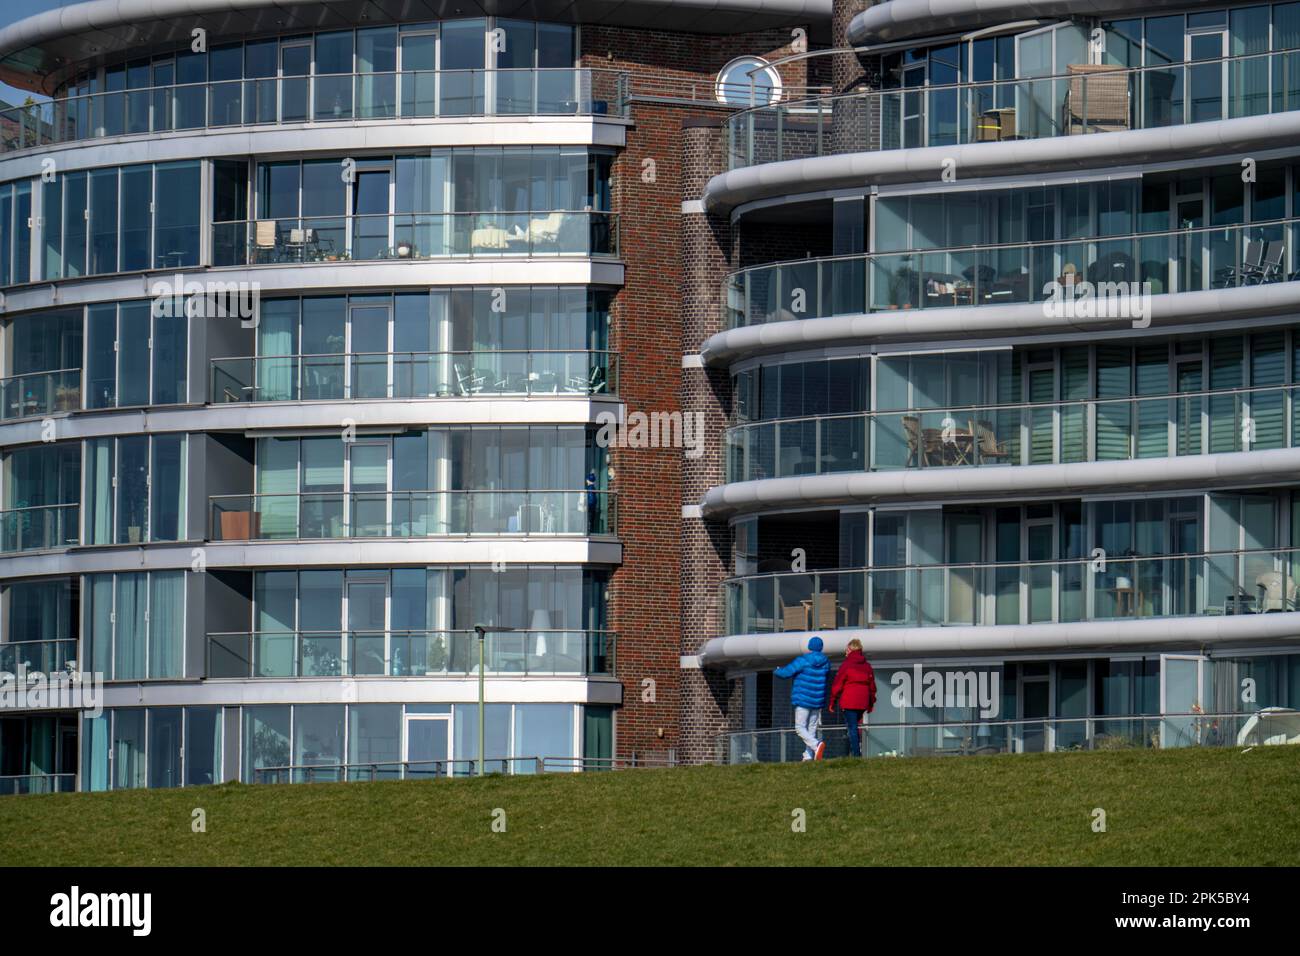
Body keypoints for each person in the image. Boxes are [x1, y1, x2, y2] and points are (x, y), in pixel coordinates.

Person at [774, 636, 831, 761]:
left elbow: (786, 672)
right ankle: (808, 756)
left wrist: (776, 670)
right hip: (817, 700)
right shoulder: (826, 662)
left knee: (799, 727)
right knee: (811, 728)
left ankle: (817, 745)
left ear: (809, 647)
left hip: (803, 699)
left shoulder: (803, 660)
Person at [829, 638, 877, 758]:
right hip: (862, 702)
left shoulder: (846, 665)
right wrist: (870, 703)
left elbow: (837, 685)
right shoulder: (867, 666)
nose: (845, 652)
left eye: (846, 650)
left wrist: (832, 702)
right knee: (854, 727)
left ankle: (856, 754)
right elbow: (872, 687)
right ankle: (853, 752)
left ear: (851, 650)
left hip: (849, 701)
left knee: (852, 728)